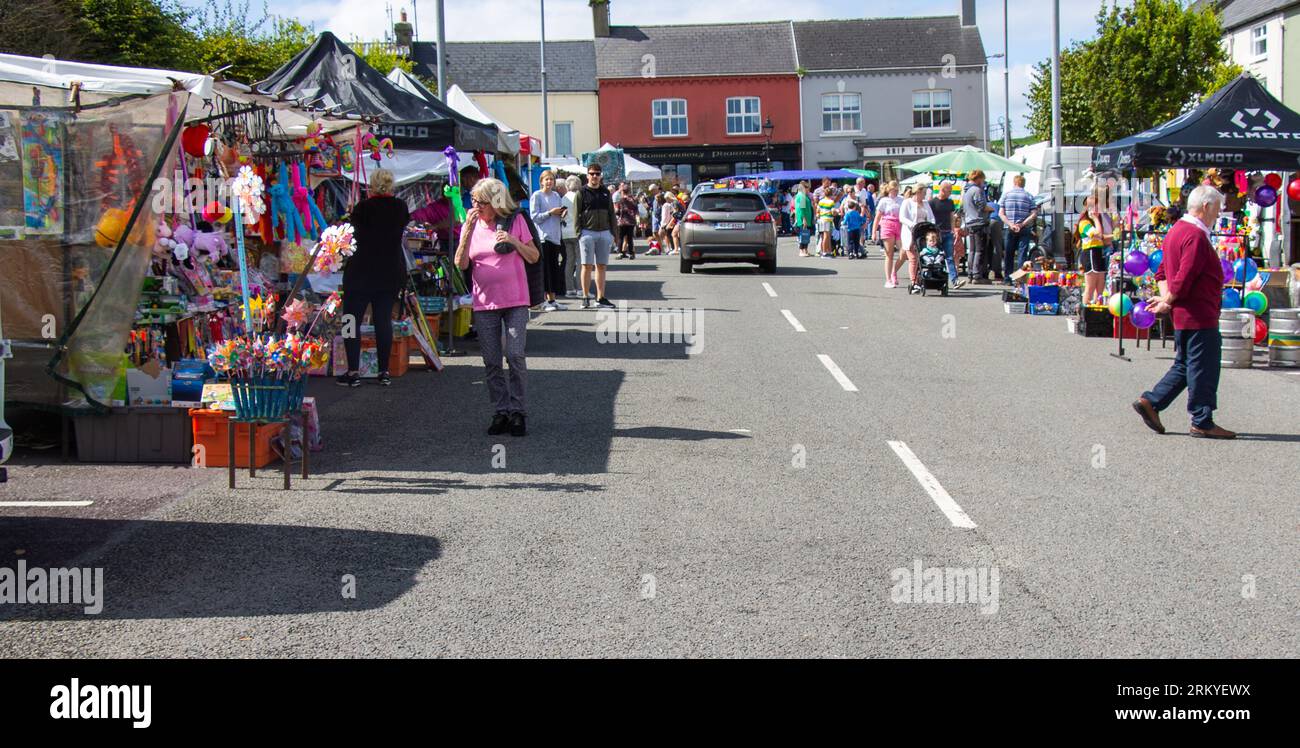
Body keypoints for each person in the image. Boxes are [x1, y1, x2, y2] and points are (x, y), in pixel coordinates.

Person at [1133, 185, 1236, 439]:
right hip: (1198, 313)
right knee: (1203, 367)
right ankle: (1202, 419)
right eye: (1217, 208)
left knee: (1185, 365)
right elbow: (1185, 275)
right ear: (1206, 207)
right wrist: (1169, 298)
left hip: (1187, 313)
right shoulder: (1195, 235)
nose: (1218, 213)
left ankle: (1152, 402)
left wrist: (1168, 297)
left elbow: (1163, 274)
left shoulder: (1176, 231)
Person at [455, 177, 540, 437]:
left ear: (495, 202)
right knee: (491, 361)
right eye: (473, 201)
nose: (475, 206)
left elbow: (534, 256)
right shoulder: (471, 225)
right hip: (484, 303)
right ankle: (501, 411)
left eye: (480, 201)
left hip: (514, 300)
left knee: (514, 355)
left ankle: (518, 412)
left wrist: (513, 241)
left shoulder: (516, 221)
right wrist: (467, 230)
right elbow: (461, 264)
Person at [338, 168, 409, 388]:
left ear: (371, 185)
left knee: (350, 320)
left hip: (360, 272)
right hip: (388, 272)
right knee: (383, 321)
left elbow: (352, 236)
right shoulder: (400, 208)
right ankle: (384, 371)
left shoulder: (362, 209)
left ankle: (353, 370)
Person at [572, 164, 617, 309]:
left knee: (602, 266)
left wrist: (613, 233)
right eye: (592, 174)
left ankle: (600, 297)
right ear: (588, 175)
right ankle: (585, 297)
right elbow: (576, 214)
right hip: (587, 233)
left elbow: (611, 213)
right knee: (586, 265)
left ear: (601, 175)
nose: (595, 176)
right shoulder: (581, 192)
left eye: (597, 174)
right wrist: (579, 233)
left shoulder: (605, 192)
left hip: (604, 232)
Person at [529, 169, 567, 311]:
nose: (549, 182)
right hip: (543, 237)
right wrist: (550, 213)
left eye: (551, 179)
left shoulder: (557, 195)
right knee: (545, 270)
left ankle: (553, 299)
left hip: (556, 235)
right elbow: (534, 217)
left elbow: (560, 214)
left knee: (554, 268)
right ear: (541, 182)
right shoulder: (537, 196)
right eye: (547, 179)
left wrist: (563, 212)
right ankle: (544, 300)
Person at [1075, 194, 1113, 306]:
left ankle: (1097, 308)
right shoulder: (1084, 223)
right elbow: (1098, 234)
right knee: (1090, 286)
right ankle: (1084, 312)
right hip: (1089, 253)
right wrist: (1095, 218)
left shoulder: (1095, 222)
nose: (1098, 209)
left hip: (1098, 252)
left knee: (1100, 286)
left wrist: (1116, 235)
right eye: (1096, 207)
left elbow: (1103, 238)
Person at [899, 183, 936, 293]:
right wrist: (912, 225)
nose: (924, 196)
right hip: (911, 233)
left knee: (924, 257)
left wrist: (932, 225)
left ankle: (922, 279)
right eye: (923, 193)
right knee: (913, 259)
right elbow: (902, 217)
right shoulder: (907, 202)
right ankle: (913, 282)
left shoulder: (925, 203)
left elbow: (931, 217)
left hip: (924, 233)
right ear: (918, 192)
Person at [1000, 174, 1037, 279]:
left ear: (1014, 183)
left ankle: (1008, 278)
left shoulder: (1006, 195)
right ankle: (1020, 278)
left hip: (1009, 228)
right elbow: (1034, 214)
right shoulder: (1029, 196)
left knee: (1009, 254)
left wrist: (1010, 224)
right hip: (1024, 228)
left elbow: (1001, 213)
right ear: (1023, 184)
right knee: (1022, 254)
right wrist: (1022, 224)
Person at [961, 170, 994, 283]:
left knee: (972, 250)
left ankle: (971, 274)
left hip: (970, 222)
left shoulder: (966, 191)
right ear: (979, 178)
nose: (983, 182)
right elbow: (982, 206)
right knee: (979, 250)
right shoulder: (977, 190)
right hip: (979, 222)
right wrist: (991, 209)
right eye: (983, 179)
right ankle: (977, 275)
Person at [929, 181, 964, 289]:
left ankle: (955, 280)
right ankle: (936, 279)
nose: (950, 193)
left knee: (950, 257)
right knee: (936, 257)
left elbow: (951, 216)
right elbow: (930, 217)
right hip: (936, 233)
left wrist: (953, 229)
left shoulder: (950, 202)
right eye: (949, 191)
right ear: (942, 190)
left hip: (947, 232)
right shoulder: (932, 203)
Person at [872, 181, 902, 288]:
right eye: (894, 189)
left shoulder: (901, 200)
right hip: (887, 225)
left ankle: (894, 271)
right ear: (889, 189)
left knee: (904, 253)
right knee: (889, 254)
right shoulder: (884, 201)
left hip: (899, 226)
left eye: (897, 189)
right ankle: (888, 279)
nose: (896, 191)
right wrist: (874, 232)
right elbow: (877, 217)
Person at [560, 174, 582, 298]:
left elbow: (561, 215)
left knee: (569, 260)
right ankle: (580, 288)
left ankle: (569, 289)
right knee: (580, 261)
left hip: (565, 232)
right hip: (577, 232)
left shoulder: (562, 198)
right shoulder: (579, 197)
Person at [614, 182, 638, 259]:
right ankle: (631, 253)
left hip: (622, 221)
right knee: (629, 238)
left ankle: (620, 253)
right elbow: (636, 209)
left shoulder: (620, 200)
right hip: (631, 221)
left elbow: (617, 211)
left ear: (622, 191)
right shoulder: (633, 199)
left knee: (621, 237)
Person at [816, 186, 837, 257]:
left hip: (821, 219)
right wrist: (836, 212)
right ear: (831, 194)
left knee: (824, 236)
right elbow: (833, 212)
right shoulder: (831, 202)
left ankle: (827, 251)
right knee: (826, 236)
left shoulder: (821, 201)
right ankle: (825, 252)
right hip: (828, 220)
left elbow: (818, 211)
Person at [794, 182, 814, 256]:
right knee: (803, 235)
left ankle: (805, 250)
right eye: (807, 188)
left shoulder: (804, 196)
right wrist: (804, 219)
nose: (808, 190)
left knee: (806, 235)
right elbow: (802, 208)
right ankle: (801, 251)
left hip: (807, 218)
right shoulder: (801, 196)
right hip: (803, 219)